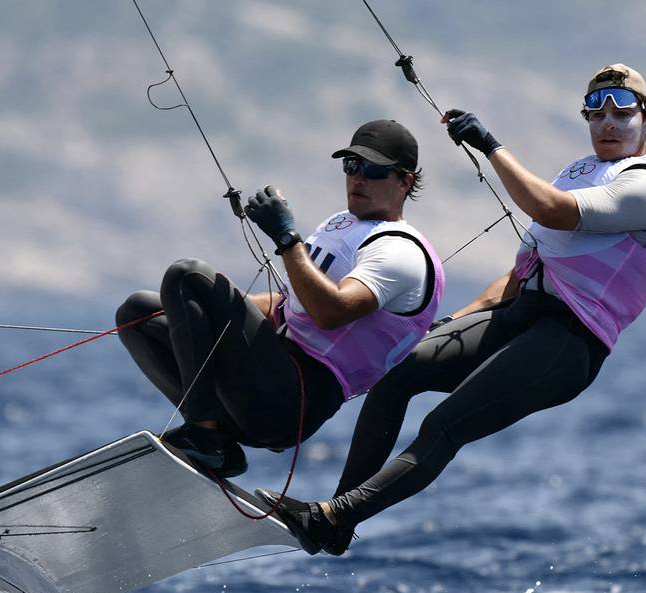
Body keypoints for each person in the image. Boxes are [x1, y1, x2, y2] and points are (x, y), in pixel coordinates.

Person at [257, 64, 646, 555]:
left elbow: (551, 210)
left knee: (445, 423)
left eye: (622, 111)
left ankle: (333, 517)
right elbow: (522, 269)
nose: (607, 122)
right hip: (518, 314)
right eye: (595, 110)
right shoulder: (582, 172)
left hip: (569, 342)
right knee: (398, 372)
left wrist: (490, 146)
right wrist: (454, 322)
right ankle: (336, 518)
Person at [116, 119, 444, 478]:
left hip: (294, 399)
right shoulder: (341, 224)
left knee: (187, 274)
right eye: (351, 165)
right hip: (264, 376)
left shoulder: (401, 251)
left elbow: (330, 313)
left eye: (373, 169)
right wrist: (200, 309)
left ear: (405, 182)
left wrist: (288, 240)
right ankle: (217, 441)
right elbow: (289, 304)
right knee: (139, 312)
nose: (358, 177)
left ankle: (204, 438)